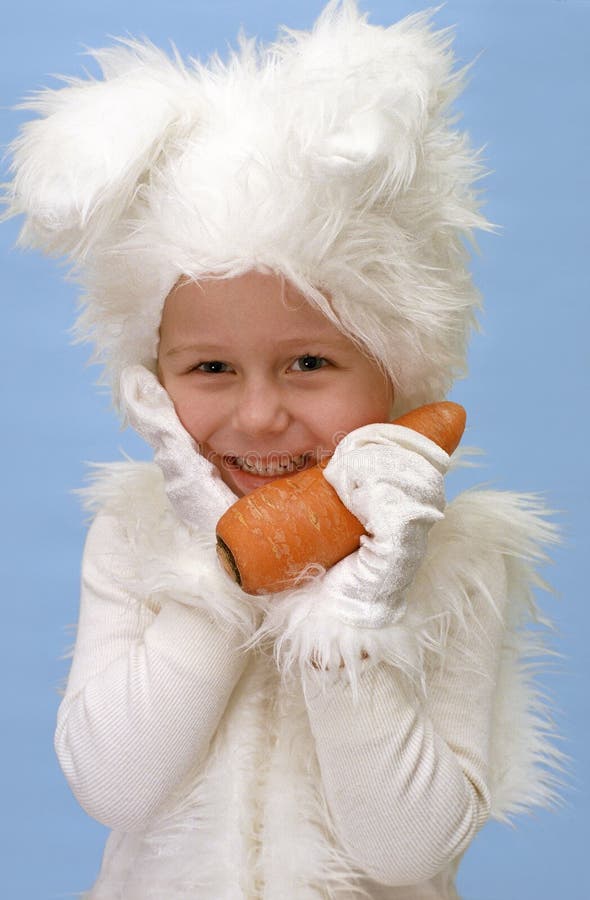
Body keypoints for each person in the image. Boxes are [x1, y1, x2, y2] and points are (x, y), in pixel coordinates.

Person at [3, 2, 561, 897]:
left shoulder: (460, 561)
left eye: (310, 362)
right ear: (152, 376)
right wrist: (220, 581)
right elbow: (117, 787)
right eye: (211, 367)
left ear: (396, 368)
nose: (259, 417)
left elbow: (408, 850)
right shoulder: (135, 536)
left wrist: (350, 623)